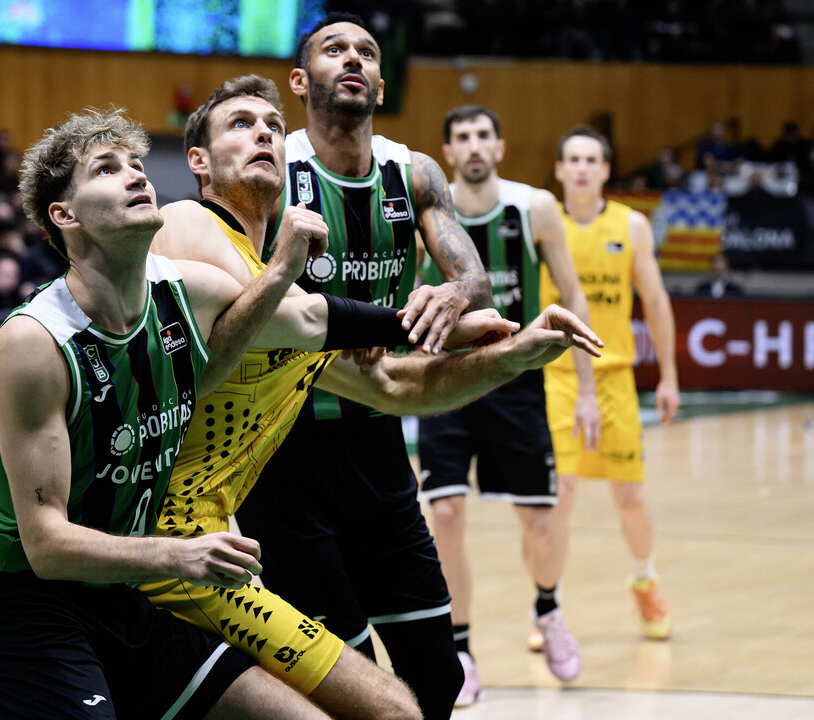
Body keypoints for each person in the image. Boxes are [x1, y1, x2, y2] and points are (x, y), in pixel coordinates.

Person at [142, 75, 604, 720]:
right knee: (381, 706)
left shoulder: (282, 286)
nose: (264, 136)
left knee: (412, 691)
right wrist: (405, 324)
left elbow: (393, 384)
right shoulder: (188, 225)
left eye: (272, 127)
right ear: (198, 162)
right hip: (154, 548)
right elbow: (299, 320)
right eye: (241, 125)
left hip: (213, 549)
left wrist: (518, 351)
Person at [0, 104, 343, 720]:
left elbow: (284, 330)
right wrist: (179, 554)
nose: (137, 175)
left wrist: (431, 324)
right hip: (20, 606)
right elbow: (47, 544)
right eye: (108, 169)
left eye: (137, 164)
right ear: (64, 215)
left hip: (119, 594)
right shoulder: (33, 341)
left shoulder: (181, 290)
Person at [232, 14, 499, 719]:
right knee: (349, 684)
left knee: (436, 680)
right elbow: (236, 286)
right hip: (283, 456)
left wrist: (450, 291)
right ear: (300, 80)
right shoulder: (271, 172)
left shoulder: (413, 174)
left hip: (380, 448)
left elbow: (477, 281)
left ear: (380, 85)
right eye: (333, 49)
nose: (352, 58)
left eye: (366, 52)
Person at [417, 105, 599, 700]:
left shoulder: (535, 207)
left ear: (499, 147)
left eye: (482, 136)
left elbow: (571, 292)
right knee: (443, 513)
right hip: (447, 377)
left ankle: (547, 608)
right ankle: (461, 646)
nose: (473, 146)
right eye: (461, 137)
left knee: (540, 521)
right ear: (447, 152)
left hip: (517, 381)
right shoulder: (428, 218)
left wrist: (588, 390)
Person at [546, 125, 680, 643]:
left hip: (615, 377)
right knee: (559, 495)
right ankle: (549, 606)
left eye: (591, 160)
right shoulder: (543, 222)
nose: (581, 168)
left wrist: (668, 375)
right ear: (559, 170)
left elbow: (657, 300)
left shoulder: (633, 226)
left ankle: (645, 582)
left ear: (605, 170)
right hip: (554, 377)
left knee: (631, 498)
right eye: (572, 159)